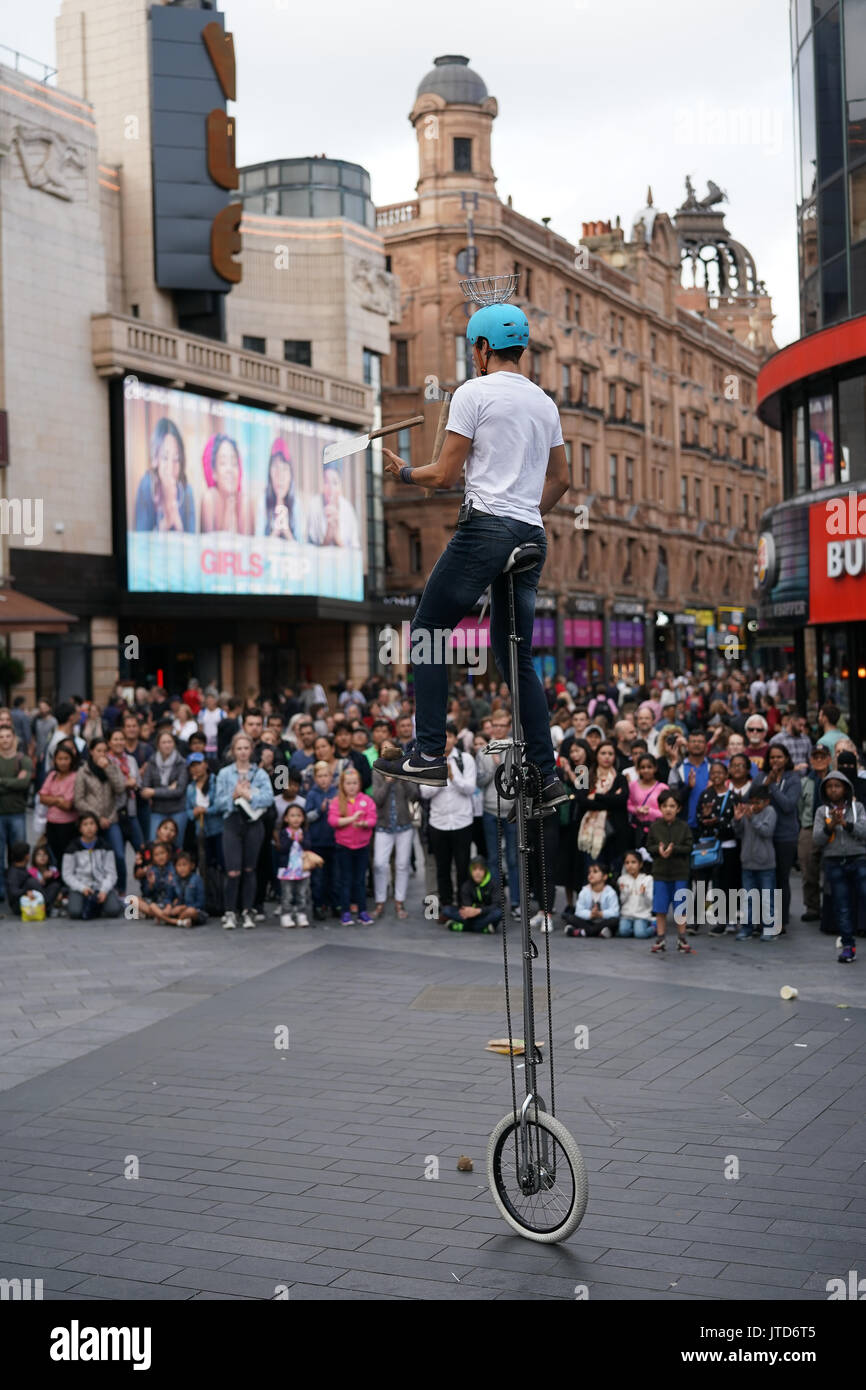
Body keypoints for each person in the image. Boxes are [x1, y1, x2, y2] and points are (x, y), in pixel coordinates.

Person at [376, 300, 569, 817]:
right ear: (520, 349)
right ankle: (547, 777)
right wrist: (527, 513)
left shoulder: (473, 393)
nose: (473, 358)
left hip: (486, 529)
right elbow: (563, 480)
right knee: (515, 658)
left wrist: (404, 473)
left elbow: (443, 475)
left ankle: (429, 752)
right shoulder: (544, 403)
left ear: (482, 349)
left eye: (473, 350)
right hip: (531, 534)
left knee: (428, 629)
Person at [213, 732, 274, 930]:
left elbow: (268, 798)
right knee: (233, 870)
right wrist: (233, 796)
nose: (242, 752)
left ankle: (248, 910)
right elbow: (217, 803)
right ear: (233, 751)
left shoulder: (260, 773)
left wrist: (248, 795)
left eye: (246, 748)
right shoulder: (224, 774)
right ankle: (230, 911)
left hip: (253, 823)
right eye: (238, 748)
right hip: (232, 822)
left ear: (251, 750)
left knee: (250, 869)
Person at [420, 725, 477, 918]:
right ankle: (445, 906)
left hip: (462, 822)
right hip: (439, 823)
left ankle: (463, 904)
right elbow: (424, 792)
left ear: (455, 739)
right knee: (442, 867)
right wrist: (441, 777)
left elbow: (470, 788)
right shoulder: (429, 761)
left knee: (462, 866)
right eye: (442, 736)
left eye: (449, 736)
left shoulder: (465, 759)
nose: (446, 740)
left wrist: (455, 777)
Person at [813, 770, 866, 964]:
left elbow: (864, 831)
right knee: (842, 906)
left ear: (845, 788)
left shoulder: (857, 807)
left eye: (837, 786)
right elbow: (817, 839)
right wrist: (830, 825)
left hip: (858, 858)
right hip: (834, 861)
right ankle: (848, 946)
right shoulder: (822, 812)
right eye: (829, 786)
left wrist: (845, 823)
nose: (833, 790)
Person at [476, 711, 520, 920]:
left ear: (509, 726)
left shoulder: (516, 748)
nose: (499, 729)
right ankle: (496, 901)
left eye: (503, 725)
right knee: (494, 858)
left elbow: (520, 779)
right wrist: (494, 766)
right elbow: (479, 782)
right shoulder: (484, 750)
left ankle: (516, 902)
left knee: (514, 858)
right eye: (496, 725)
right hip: (490, 809)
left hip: (511, 811)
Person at [72, 738, 128, 893]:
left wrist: (108, 770)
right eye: (98, 751)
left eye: (105, 751)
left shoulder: (113, 767)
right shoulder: (83, 771)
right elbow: (79, 800)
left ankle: (121, 889)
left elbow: (120, 789)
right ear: (91, 752)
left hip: (111, 818)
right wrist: (96, 817)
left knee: (118, 854)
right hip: (91, 820)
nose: (102, 754)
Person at [757, 743, 802, 933]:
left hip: (785, 835)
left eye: (779, 757)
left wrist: (773, 786)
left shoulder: (793, 779)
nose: (775, 761)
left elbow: (788, 805)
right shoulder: (761, 777)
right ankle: (764, 917)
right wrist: (764, 785)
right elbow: (753, 796)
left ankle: (781, 920)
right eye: (772, 758)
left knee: (782, 877)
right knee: (765, 877)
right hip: (765, 834)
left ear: (786, 759)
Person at [327, 765, 376, 925]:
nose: (352, 786)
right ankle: (346, 911)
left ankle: (362, 911)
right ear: (342, 785)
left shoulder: (366, 800)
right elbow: (333, 821)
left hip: (362, 846)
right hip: (344, 847)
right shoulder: (337, 801)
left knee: (360, 880)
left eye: (355, 783)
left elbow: (372, 820)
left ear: (360, 784)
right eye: (348, 783)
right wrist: (352, 818)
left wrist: (363, 823)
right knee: (345, 880)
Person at [647, 791, 694, 954]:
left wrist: (674, 850)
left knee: (680, 908)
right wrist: (658, 850)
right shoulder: (655, 827)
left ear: (678, 808)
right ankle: (660, 939)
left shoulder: (684, 827)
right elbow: (649, 846)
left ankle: (682, 938)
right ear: (660, 808)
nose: (668, 809)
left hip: (679, 873)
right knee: (660, 909)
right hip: (660, 873)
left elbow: (689, 847)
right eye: (665, 806)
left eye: (672, 806)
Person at [370, 766, 417, 921]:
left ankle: (399, 902)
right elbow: (377, 799)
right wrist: (388, 782)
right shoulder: (377, 773)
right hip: (383, 826)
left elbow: (415, 795)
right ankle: (380, 901)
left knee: (402, 865)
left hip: (404, 825)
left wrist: (403, 778)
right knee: (379, 864)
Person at [733, 782, 778, 941]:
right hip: (747, 862)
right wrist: (737, 820)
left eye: (757, 802)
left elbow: (766, 831)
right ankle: (747, 928)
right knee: (748, 898)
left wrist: (752, 819)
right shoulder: (746, 813)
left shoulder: (770, 812)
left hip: (766, 864)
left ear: (766, 802)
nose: (753, 806)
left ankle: (769, 928)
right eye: (751, 802)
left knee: (767, 898)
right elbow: (738, 833)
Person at [134, 417, 195, 533]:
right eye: (165, 458)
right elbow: (140, 538)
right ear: (155, 459)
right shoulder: (147, 485)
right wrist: (166, 521)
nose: (170, 467)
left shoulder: (187, 491)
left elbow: (192, 542)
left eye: (176, 459)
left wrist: (176, 518)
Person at [577, 739, 629, 876]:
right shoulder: (585, 775)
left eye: (610, 754)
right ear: (596, 755)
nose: (607, 757)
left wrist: (597, 797)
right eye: (603, 753)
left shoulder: (621, 778)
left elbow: (622, 800)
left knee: (613, 872)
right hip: (591, 832)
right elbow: (582, 801)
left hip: (615, 833)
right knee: (592, 871)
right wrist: (611, 798)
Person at [62, 813, 122, 919]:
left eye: (92, 824)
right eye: (85, 824)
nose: (89, 827)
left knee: (114, 910)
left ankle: (99, 905)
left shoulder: (105, 847)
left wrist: (104, 890)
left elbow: (111, 873)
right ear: (80, 828)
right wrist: (82, 888)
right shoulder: (72, 848)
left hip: (101, 885)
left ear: (97, 826)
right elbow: (67, 874)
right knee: (75, 912)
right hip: (81, 886)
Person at [0, 721, 32, 905]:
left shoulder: (23, 760)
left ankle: (18, 887)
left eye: (7, 736)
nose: (4, 740)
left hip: (17, 813)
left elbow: (24, 784)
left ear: (14, 739)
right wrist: (13, 782)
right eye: (1, 737)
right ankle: (2, 890)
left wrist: (3, 782)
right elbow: (17, 783)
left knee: (19, 854)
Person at [140, 730, 189, 842]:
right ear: (158, 745)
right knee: (154, 843)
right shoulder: (151, 763)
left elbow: (179, 791)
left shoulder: (181, 763)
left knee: (176, 844)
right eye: (164, 742)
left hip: (178, 809)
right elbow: (144, 790)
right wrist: (168, 789)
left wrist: (154, 792)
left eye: (169, 742)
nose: (167, 745)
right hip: (157, 810)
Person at [200, 433, 255, 535]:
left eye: (234, 463)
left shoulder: (245, 502)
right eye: (223, 463)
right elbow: (208, 548)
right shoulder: (210, 499)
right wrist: (228, 514)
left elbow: (250, 548)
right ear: (214, 473)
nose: (229, 469)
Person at [38, 740, 80, 870]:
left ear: (71, 760)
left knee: (65, 857)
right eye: (60, 759)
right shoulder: (52, 775)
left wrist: (51, 799)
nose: (63, 762)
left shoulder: (74, 777)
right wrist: (58, 800)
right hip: (51, 823)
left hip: (67, 825)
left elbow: (68, 804)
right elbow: (42, 797)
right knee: (54, 856)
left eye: (66, 758)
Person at [304, 760, 337, 920]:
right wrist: (319, 810)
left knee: (334, 875)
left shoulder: (336, 792)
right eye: (320, 776)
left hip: (334, 841)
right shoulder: (312, 794)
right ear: (315, 778)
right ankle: (318, 905)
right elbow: (306, 817)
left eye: (326, 776)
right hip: (317, 842)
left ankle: (334, 904)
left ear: (331, 777)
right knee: (318, 878)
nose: (323, 779)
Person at [307, 459, 361, 549]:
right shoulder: (314, 505)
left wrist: (337, 536)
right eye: (326, 482)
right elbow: (308, 549)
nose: (331, 489)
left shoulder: (348, 509)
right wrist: (328, 534)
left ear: (340, 485)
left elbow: (355, 552)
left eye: (335, 483)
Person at [440, 856, 502, 934]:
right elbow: (466, 908)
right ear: (470, 871)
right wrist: (472, 911)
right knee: (447, 910)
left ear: (485, 871)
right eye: (474, 869)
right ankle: (482, 928)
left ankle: (464, 927)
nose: (477, 873)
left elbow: (496, 905)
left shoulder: (494, 884)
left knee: (498, 913)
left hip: (485, 914)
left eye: (481, 869)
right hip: (471, 916)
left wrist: (479, 911)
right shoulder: (466, 886)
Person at [277, 804, 315, 928]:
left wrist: (302, 841)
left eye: (299, 815)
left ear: (303, 818)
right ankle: (286, 914)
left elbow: (309, 846)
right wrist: (290, 840)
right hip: (287, 869)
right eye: (292, 815)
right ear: (286, 819)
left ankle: (301, 913)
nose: (296, 819)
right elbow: (282, 849)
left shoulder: (305, 832)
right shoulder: (283, 833)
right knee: (287, 894)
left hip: (302, 869)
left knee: (302, 893)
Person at [132, 839, 181, 925]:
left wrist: (170, 882)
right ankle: (160, 915)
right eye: (156, 855)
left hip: (169, 902)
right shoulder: (151, 870)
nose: (160, 857)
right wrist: (151, 884)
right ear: (153, 858)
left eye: (162, 853)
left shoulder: (173, 868)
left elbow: (176, 891)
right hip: (156, 901)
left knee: (156, 907)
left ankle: (160, 916)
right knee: (133, 900)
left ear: (168, 854)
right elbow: (148, 893)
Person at [565, 861, 620, 938]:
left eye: (595, 871)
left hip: (602, 921)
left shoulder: (610, 892)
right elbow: (578, 911)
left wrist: (600, 914)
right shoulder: (584, 891)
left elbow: (615, 912)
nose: (591, 874)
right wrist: (591, 914)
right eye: (589, 872)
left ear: (605, 877)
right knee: (569, 917)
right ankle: (597, 932)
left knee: (615, 921)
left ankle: (584, 932)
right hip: (588, 921)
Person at [264, 438, 303, 541]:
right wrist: (276, 531)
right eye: (275, 467)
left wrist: (286, 530)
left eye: (284, 469)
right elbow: (258, 546)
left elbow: (301, 547)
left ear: (291, 476)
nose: (279, 476)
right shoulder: (263, 502)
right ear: (269, 473)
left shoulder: (296, 504)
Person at [627, 753, 667, 854]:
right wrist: (637, 810)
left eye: (649, 767)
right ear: (638, 770)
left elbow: (668, 811)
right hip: (637, 831)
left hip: (657, 831)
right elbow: (628, 804)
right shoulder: (632, 786)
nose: (646, 770)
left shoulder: (663, 788)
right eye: (642, 767)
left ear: (655, 768)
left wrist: (650, 811)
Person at [616, 849, 655, 938]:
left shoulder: (648, 879)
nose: (630, 865)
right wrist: (624, 892)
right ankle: (635, 928)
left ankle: (653, 928)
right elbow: (622, 902)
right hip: (626, 914)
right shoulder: (622, 879)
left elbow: (650, 902)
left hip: (642, 915)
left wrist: (644, 893)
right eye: (627, 863)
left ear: (640, 864)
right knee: (623, 932)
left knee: (640, 934)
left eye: (633, 862)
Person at [28, 843, 62, 916]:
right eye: (39, 855)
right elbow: (33, 887)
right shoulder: (31, 871)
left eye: (45, 854)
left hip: (50, 895)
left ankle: (46, 907)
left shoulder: (53, 870)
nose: (42, 857)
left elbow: (59, 884)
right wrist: (43, 878)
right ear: (34, 857)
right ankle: (46, 908)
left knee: (55, 885)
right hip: (37, 899)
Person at [6, 840, 32, 915]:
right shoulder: (13, 873)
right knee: (32, 882)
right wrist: (26, 892)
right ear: (26, 856)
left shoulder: (22, 869)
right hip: (18, 905)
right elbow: (14, 892)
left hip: (25, 900)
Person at [197, 689, 225, 758]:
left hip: (218, 744)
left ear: (216, 700)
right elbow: (200, 728)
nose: (209, 701)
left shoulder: (222, 713)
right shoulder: (202, 713)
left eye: (212, 699)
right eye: (208, 699)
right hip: (206, 745)